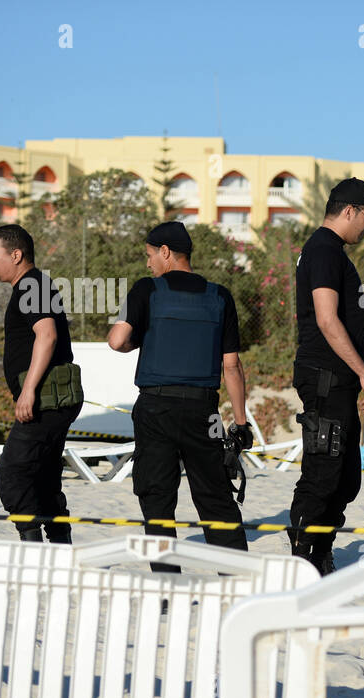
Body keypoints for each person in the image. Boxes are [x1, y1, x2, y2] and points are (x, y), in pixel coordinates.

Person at [108, 222, 252, 571]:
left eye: (149, 255)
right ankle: (237, 582)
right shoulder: (220, 296)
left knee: (157, 498)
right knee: (216, 497)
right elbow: (231, 366)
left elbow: (116, 341)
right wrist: (242, 422)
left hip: (156, 406)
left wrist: (140, 338)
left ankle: (167, 584)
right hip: (204, 410)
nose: (148, 264)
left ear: (166, 252)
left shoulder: (146, 290)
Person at [289, 178, 364, 575]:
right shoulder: (324, 249)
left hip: (337, 379)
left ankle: (321, 551)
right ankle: (303, 562)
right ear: (348, 211)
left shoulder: (332, 252)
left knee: (346, 478)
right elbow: (327, 320)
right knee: (323, 472)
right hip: (326, 375)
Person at [0, 224, 81, 544]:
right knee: (43, 479)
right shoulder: (32, 285)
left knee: (12, 476)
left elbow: (48, 334)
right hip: (50, 400)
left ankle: (35, 551)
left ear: (16, 255)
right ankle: (58, 551)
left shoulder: (32, 284)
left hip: (46, 400)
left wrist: (28, 390)